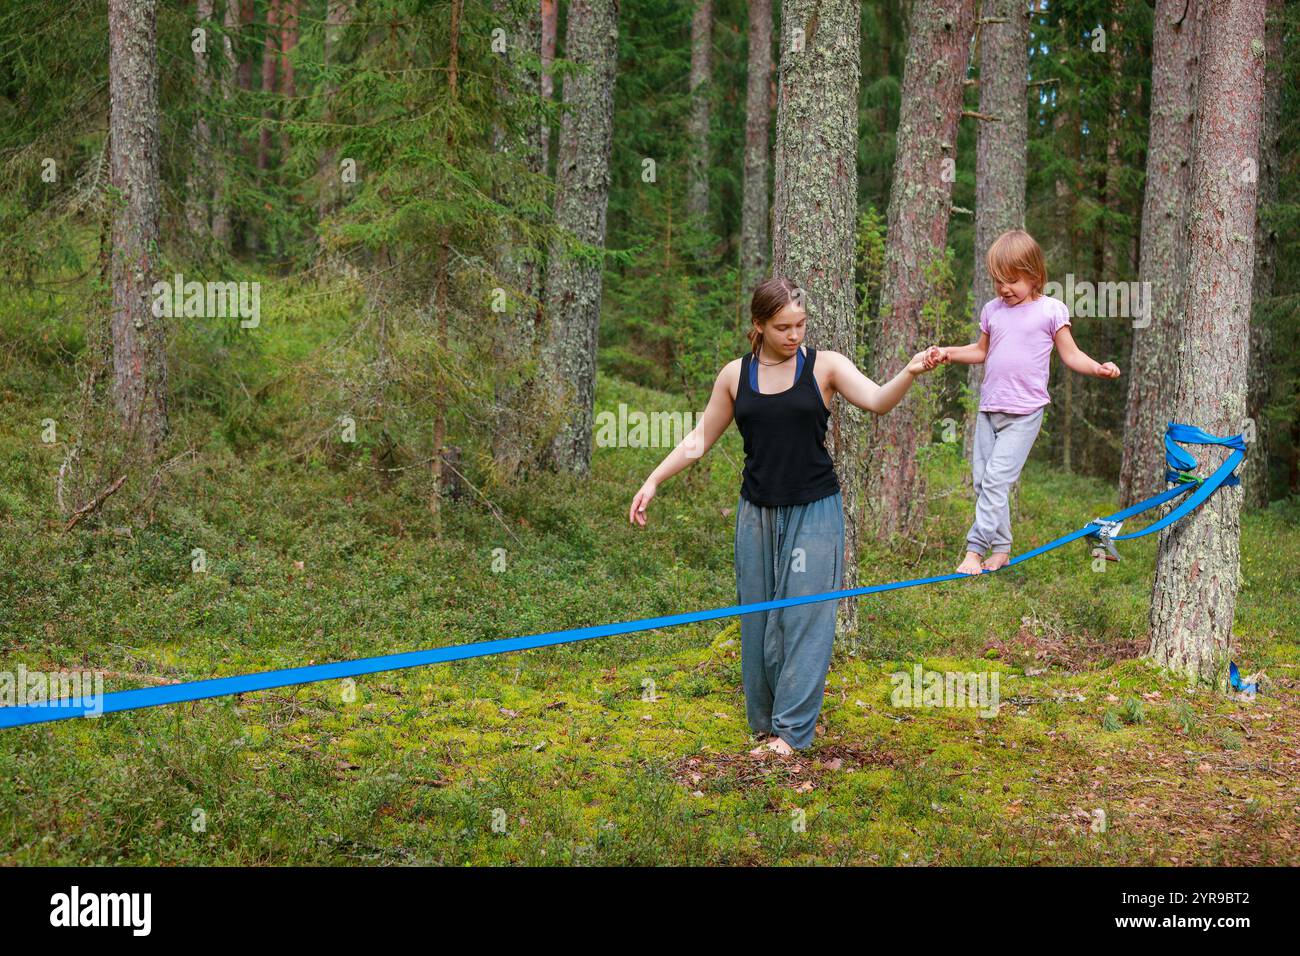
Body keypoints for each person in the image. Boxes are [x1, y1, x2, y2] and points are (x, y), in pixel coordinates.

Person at [628, 277, 940, 756]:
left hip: (814, 511)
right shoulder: (735, 375)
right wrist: (653, 479)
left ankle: (791, 733)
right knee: (758, 617)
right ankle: (765, 724)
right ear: (758, 325)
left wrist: (910, 372)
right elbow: (699, 439)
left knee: (804, 618)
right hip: (756, 512)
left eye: (800, 324)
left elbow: (878, 401)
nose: (794, 335)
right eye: (782, 327)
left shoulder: (825, 367)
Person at [928, 229, 1122, 575]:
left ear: (1034, 274)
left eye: (1012, 280)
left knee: (996, 481)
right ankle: (1001, 547)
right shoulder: (993, 310)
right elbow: (980, 351)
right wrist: (947, 353)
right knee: (981, 482)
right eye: (998, 281)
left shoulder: (1050, 311)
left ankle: (975, 550)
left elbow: (1072, 355)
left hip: (1024, 413)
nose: (1004, 289)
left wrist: (1098, 368)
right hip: (990, 409)